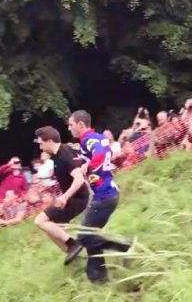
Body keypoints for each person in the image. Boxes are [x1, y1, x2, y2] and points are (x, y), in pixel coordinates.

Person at [65, 111, 131, 283]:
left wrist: (89, 165)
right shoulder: (95, 137)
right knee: (90, 236)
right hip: (107, 193)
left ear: (80, 124)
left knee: (85, 236)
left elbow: (100, 154)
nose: (69, 127)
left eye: (71, 124)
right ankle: (99, 278)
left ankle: (123, 245)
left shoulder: (89, 139)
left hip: (104, 196)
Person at [33, 126, 90, 256]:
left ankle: (73, 244)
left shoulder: (64, 155)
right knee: (49, 227)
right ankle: (72, 254)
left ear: (49, 141)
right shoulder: (59, 154)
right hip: (74, 197)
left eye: (41, 144)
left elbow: (79, 178)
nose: (40, 148)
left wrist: (65, 197)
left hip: (77, 198)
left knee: (40, 220)